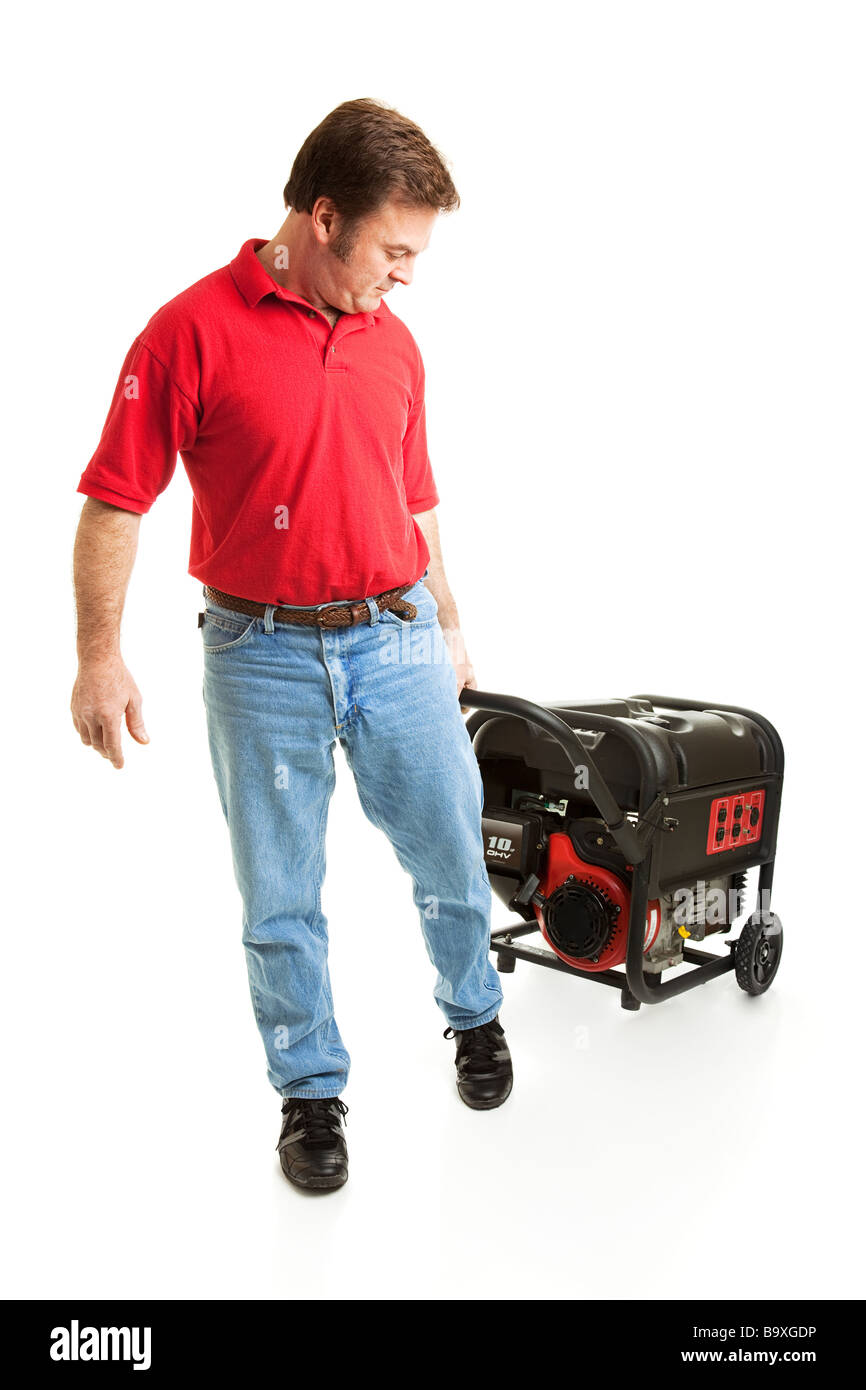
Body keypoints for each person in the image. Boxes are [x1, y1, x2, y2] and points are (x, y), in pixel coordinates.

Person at [70, 98, 512, 1194]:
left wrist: (449, 624)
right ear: (323, 216)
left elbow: (415, 504)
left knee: (454, 847)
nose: (405, 274)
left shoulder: (395, 344)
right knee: (279, 892)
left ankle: (476, 1014)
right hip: (259, 653)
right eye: (392, 250)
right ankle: (309, 1092)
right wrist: (97, 653)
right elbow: (116, 501)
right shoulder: (186, 331)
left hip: (397, 636)